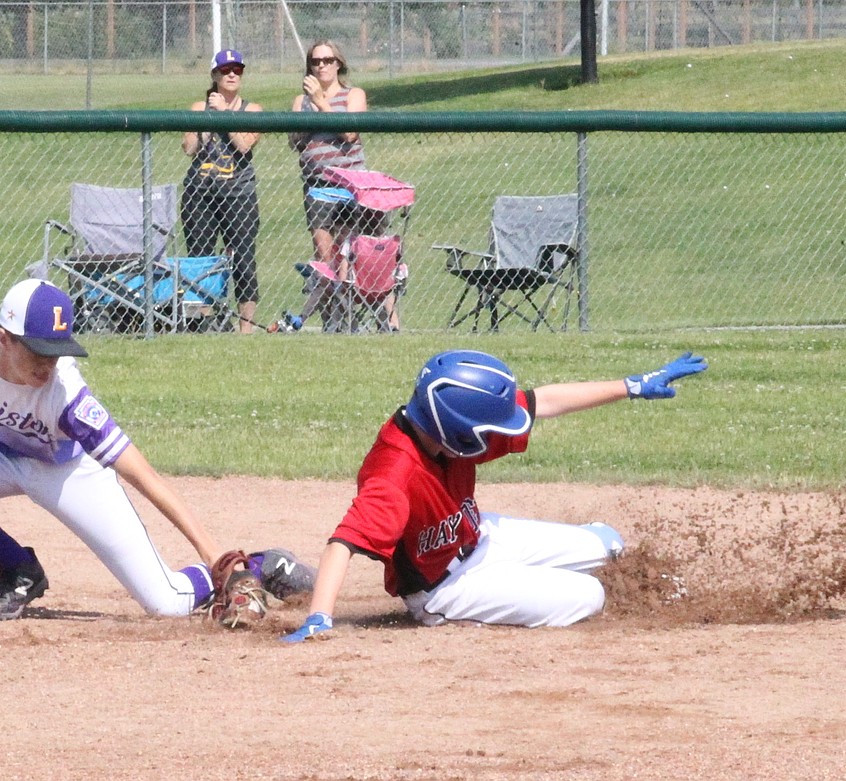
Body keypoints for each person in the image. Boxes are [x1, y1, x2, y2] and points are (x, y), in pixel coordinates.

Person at [0, 279, 313, 621]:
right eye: (38, 351)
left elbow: (144, 477)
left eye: (57, 351)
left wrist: (215, 554)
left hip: (65, 473)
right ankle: (20, 567)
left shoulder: (67, 397)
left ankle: (262, 563)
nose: (49, 363)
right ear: (4, 338)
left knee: (165, 604)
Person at [281, 349, 707, 642]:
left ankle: (556, 583)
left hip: (478, 538)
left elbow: (543, 401)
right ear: (457, 432)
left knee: (608, 543)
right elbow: (343, 543)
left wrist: (630, 386)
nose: (495, 437)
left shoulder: (440, 428)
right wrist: (319, 617)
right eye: (486, 432)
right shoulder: (395, 474)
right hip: (445, 590)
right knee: (587, 595)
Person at [280, 40, 368, 332]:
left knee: (348, 254)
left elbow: (350, 132)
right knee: (324, 254)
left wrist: (321, 102)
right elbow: (295, 141)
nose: (322, 66)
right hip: (316, 186)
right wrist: (310, 109)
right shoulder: (300, 101)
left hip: (349, 185)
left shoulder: (353, 94)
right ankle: (331, 321)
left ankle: (350, 321)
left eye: (328, 60)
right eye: (316, 62)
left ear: (338, 63)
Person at [181, 49, 263, 334]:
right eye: (225, 70)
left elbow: (243, 145)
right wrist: (206, 120)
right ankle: (203, 322)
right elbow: (189, 149)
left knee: (243, 258)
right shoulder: (197, 108)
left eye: (237, 71)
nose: (231, 75)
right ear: (214, 75)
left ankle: (246, 328)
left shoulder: (252, 111)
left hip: (238, 194)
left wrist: (224, 114)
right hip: (199, 193)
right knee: (200, 258)